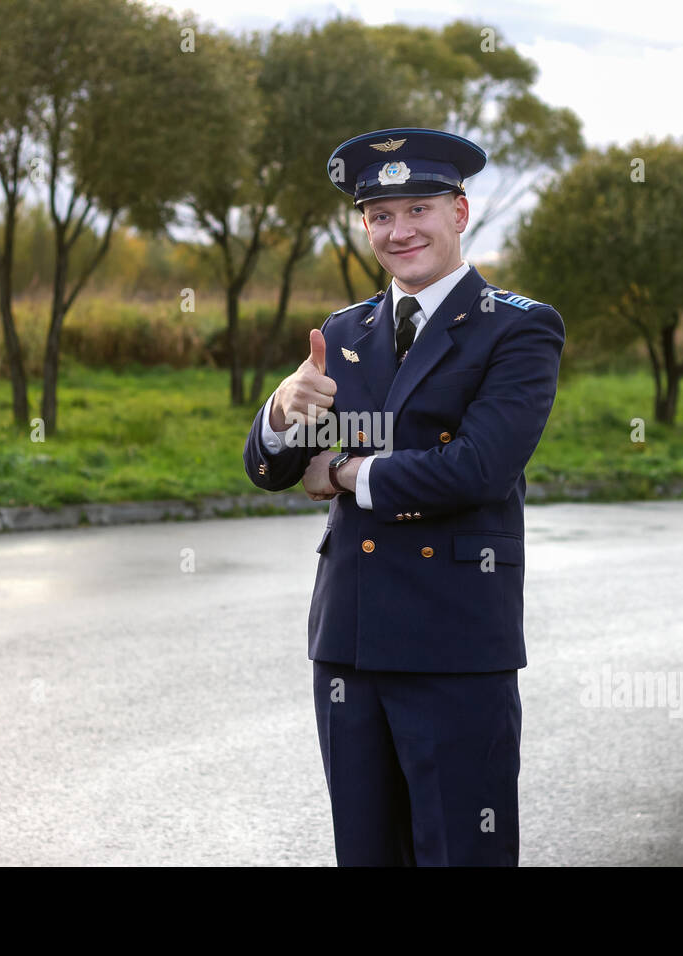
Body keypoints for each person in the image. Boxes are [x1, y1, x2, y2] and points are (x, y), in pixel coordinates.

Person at [242, 127, 565, 865]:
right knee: (365, 854)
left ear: (460, 212)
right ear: (364, 226)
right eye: (381, 215)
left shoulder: (517, 328)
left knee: (460, 853)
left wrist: (347, 474)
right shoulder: (344, 332)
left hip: (452, 644)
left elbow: (477, 468)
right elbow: (270, 469)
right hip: (349, 646)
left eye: (418, 207)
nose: (400, 230)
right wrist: (282, 411)